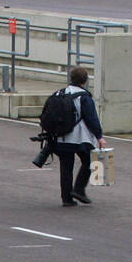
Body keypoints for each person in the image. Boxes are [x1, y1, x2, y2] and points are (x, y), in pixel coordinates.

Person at [51, 66, 106, 207]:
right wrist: (99, 136)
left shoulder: (59, 93)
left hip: (60, 137)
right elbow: (91, 118)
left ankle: (66, 199)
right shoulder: (84, 97)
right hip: (80, 137)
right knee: (89, 161)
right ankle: (79, 189)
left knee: (66, 167)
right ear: (85, 80)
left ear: (71, 78)